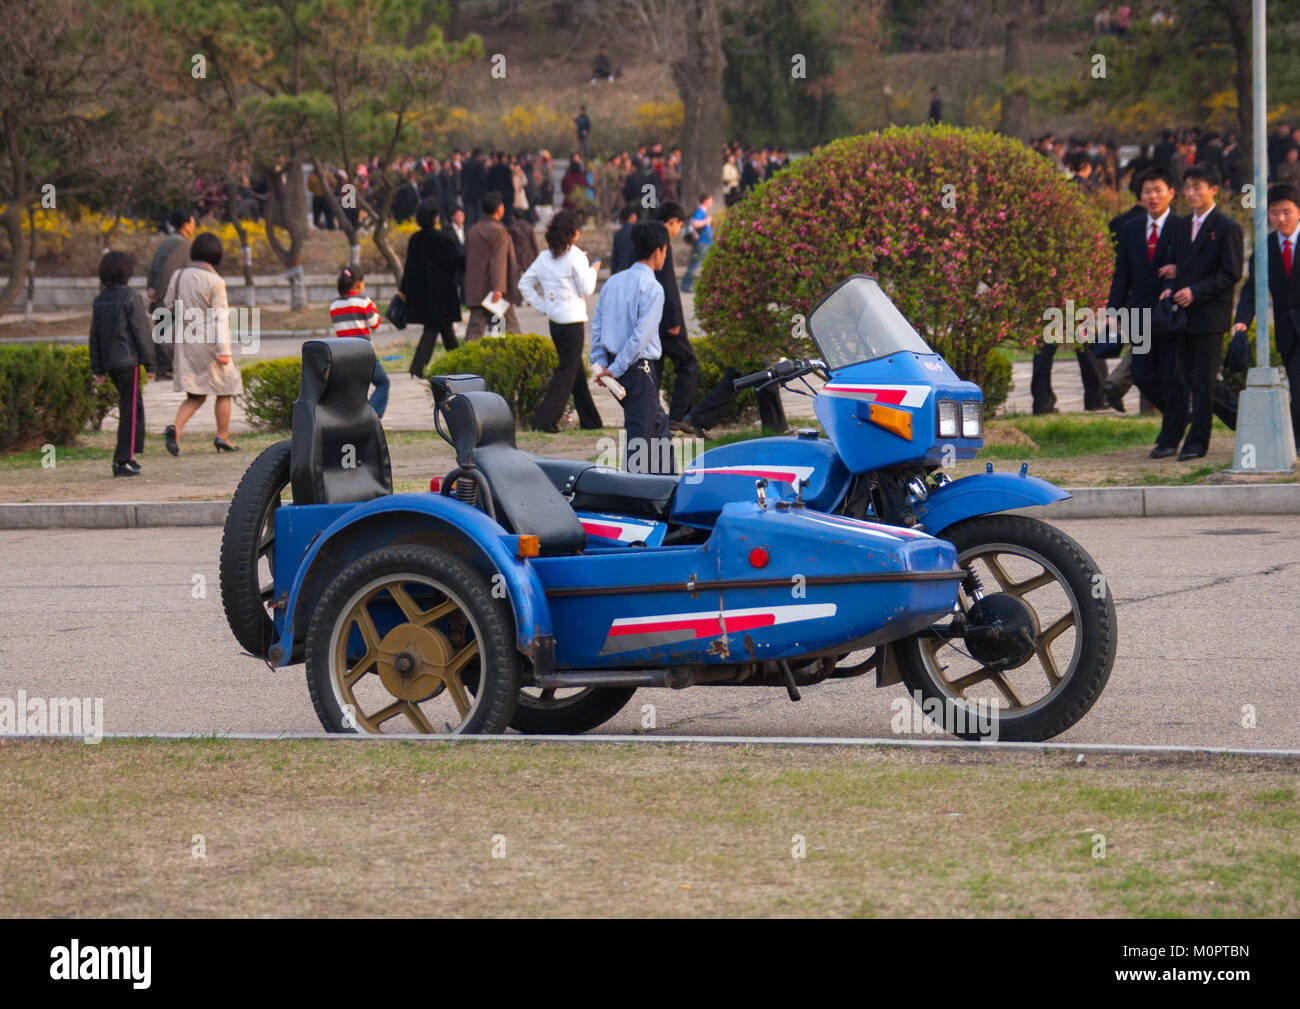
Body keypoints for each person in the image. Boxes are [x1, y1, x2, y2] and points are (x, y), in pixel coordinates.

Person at [1153, 163, 1243, 460]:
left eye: (1197, 187)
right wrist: (1172, 284)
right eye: (1187, 187)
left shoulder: (1227, 227)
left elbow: (1230, 274)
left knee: (1204, 382)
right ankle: (1242, 421)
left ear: (1213, 189)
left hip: (1210, 316)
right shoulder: (1180, 226)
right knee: (1191, 380)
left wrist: (1196, 291)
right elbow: (1181, 263)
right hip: (1182, 316)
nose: (1191, 193)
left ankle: (1197, 442)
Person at [591, 221, 672, 474]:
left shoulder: (613, 282)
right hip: (637, 369)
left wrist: (600, 363)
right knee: (641, 442)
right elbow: (640, 338)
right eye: (665, 251)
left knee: (659, 427)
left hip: (618, 367)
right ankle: (635, 498)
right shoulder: (653, 288)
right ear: (658, 251)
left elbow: (598, 327)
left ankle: (668, 484)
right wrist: (613, 369)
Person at [1101, 167, 1178, 417]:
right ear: (1140, 196)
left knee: (1168, 370)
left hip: (1171, 311)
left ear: (1171, 193)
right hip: (1139, 311)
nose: (1152, 196)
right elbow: (1122, 274)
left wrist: (1178, 273)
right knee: (1143, 373)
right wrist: (1112, 311)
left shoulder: (1182, 226)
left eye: (1158, 190)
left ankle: (1169, 420)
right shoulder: (1131, 228)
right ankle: (1171, 415)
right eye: (1147, 191)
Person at [519, 209, 604, 433]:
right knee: (566, 371)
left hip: (555, 322)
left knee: (575, 371)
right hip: (573, 321)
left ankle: (591, 420)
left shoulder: (544, 258)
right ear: (572, 233)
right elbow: (587, 288)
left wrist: (543, 306)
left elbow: (524, 284)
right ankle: (543, 421)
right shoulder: (576, 256)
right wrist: (593, 269)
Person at [161, 232, 243, 455]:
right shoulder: (215, 282)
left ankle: (175, 429)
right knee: (225, 389)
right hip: (209, 342)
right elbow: (220, 317)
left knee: (195, 394)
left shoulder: (179, 274)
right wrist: (224, 351)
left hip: (185, 339)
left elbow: (168, 303)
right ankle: (222, 436)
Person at [1233, 184, 1300, 438]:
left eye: (1287, 212)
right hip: (1288, 331)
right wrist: (1242, 321)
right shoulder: (1265, 246)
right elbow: (1253, 289)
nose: (1281, 219)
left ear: (1298, 212)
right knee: (1297, 386)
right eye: (1274, 213)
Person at [89, 251, 155, 477]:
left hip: (110, 362)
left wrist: (98, 368)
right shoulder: (130, 297)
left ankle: (130, 456)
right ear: (126, 271)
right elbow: (141, 332)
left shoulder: (100, 300)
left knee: (133, 407)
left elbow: (94, 336)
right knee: (130, 410)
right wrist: (151, 363)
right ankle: (123, 460)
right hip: (128, 361)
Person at [400, 197, 463, 378]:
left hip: (422, 294)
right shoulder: (442, 238)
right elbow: (454, 261)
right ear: (435, 217)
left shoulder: (415, 239)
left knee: (443, 329)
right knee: (436, 328)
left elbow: (409, 268)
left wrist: (404, 290)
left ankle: (456, 363)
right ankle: (420, 367)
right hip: (441, 294)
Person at [654, 201, 700, 425]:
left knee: (656, 367)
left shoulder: (649, 235)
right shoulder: (662, 240)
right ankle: (678, 417)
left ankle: (653, 415)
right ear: (673, 221)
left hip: (652, 317)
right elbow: (668, 284)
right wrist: (673, 320)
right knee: (689, 364)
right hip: (668, 320)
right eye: (678, 226)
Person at [328, 266, 389, 417]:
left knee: (357, 389)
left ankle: (354, 419)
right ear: (358, 284)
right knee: (382, 383)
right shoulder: (363, 301)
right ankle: (371, 417)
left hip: (343, 352)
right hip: (364, 351)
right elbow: (375, 324)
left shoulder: (334, 304)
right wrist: (373, 309)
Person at [146, 208, 196, 380]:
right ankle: (166, 368)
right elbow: (169, 270)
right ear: (186, 223)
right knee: (167, 333)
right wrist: (161, 292)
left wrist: (151, 288)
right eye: (192, 221)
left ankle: (162, 368)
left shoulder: (167, 241)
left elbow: (153, 266)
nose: (194, 225)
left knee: (162, 331)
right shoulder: (181, 243)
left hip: (160, 293)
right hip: (170, 296)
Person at [463, 192, 521, 340]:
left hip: (476, 288)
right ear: (499, 208)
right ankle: (501, 357)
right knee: (505, 329)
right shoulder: (499, 231)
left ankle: (468, 360)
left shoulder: (472, 230)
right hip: (495, 291)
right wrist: (498, 288)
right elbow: (498, 261)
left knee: (475, 331)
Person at [679, 193, 713, 293]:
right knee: (694, 264)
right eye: (710, 199)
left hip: (706, 242)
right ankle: (685, 285)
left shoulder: (703, 211)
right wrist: (706, 221)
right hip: (701, 242)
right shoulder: (700, 212)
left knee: (706, 264)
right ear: (705, 200)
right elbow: (695, 224)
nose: (712, 202)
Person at [610, 205, 638, 274]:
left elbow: (615, 258)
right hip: (635, 270)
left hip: (622, 271)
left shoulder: (617, 234)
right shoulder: (637, 232)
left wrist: (613, 273)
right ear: (632, 216)